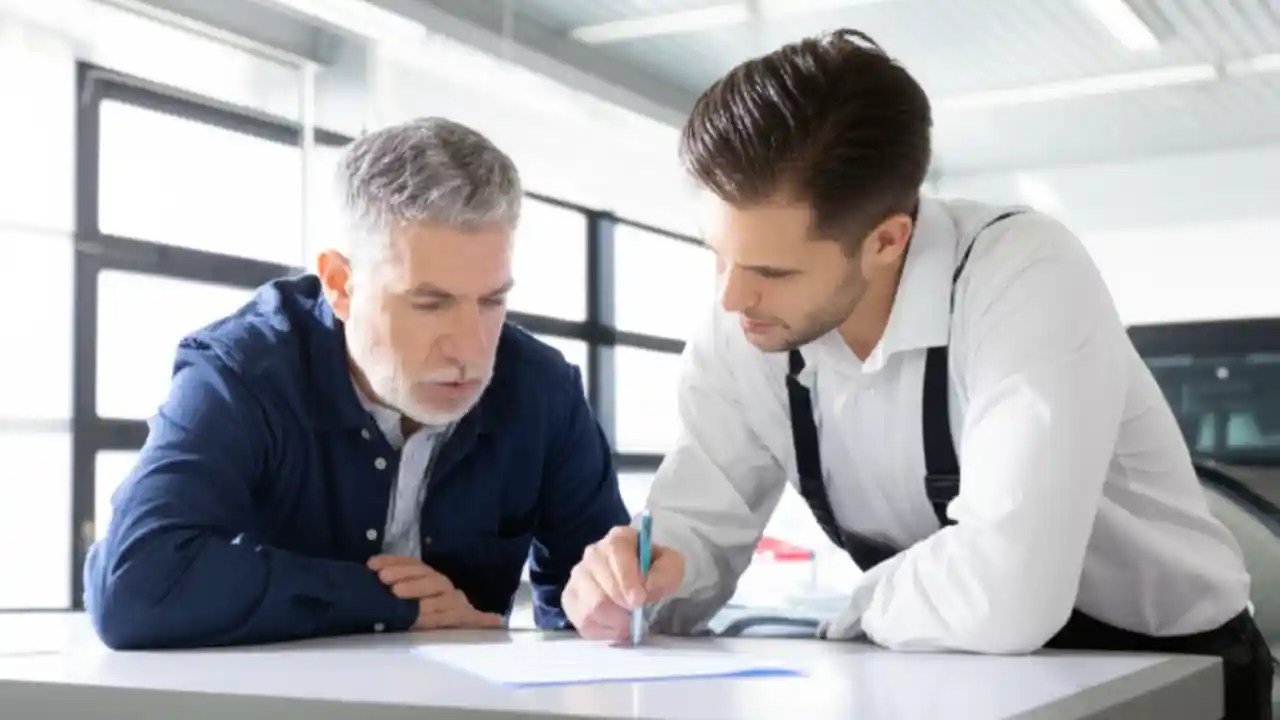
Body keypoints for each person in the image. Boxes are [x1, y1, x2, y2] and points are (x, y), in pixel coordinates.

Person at [562, 29, 1273, 718]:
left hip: (1170, 673)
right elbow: (696, 541)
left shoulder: (1023, 274)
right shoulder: (747, 322)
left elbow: (1009, 592)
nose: (730, 297)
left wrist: (856, 608)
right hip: (951, 673)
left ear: (887, 241)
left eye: (773, 271)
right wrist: (640, 584)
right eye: (718, 254)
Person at [85, 117, 628, 649]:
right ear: (341, 285)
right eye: (430, 303)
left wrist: (612, 599)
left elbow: (589, 611)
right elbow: (132, 585)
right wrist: (390, 605)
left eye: (491, 301)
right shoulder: (242, 373)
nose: (470, 347)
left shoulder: (543, 392)